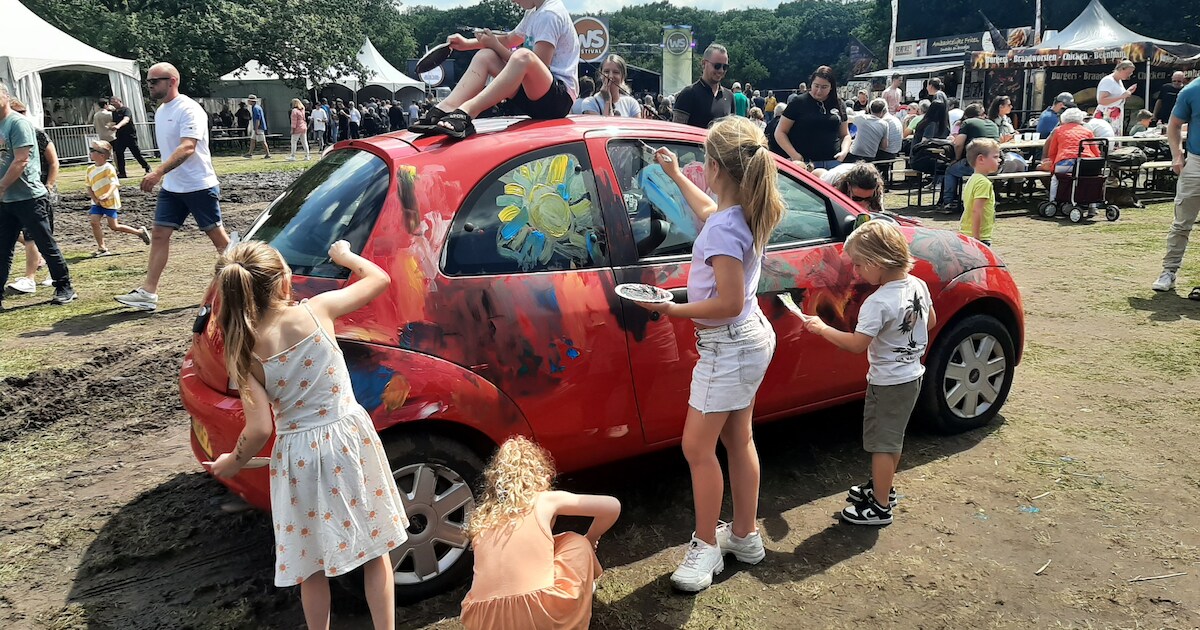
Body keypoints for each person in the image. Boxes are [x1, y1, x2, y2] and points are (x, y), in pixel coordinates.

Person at [209, 240, 408, 630]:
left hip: (297, 456)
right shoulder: (318, 310)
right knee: (374, 551)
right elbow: (379, 279)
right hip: (348, 442)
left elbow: (259, 428)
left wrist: (232, 463)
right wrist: (344, 256)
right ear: (284, 281)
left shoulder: (244, 350)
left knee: (310, 565)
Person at [633, 117, 783, 592]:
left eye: (702, 163)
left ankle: (706, 547)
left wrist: (670, 308)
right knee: (738, 438)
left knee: (697, 448)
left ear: (715, 167)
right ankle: (745, 536)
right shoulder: (744, 211)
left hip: (728, 345)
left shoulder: (722, 229)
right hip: (747, 338)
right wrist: (677, 175)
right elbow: (708, 209)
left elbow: (728, 302)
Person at [790, 220, 936, 526]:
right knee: (892, 439)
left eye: (858, 264)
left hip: (888, 383)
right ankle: (883, 487)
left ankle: (880, 507)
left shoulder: (878, 302)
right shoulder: (918, 285)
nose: (856, 271)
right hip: (912, 375)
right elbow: (930, 321)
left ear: (876, 262)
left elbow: (857, 345)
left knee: (881, 444)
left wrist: (822, 328)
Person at [459, 436, 620, 629]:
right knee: (575, 542)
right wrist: (591, 538)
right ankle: (582, 592)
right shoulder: (543, 500)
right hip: (539, 615)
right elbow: (612, 506)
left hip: (484, 620)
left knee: (554, 544)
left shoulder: (484, 520)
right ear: (540, 473)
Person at [114, 63, 230, 312]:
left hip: (198, 185)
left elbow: (188, 147)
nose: (149, 85)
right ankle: (148, 292)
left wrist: (157, 172)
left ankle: (246, 281)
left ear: (172, 81)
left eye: (154, 81)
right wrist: (164, 176)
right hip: (173, 188)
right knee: (158, 234)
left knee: (219, 239)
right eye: (148, 81)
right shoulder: (161, 110)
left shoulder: (189, 109)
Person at [410, 0, 580, 141]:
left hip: (557, 100)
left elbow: (538, 65)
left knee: (523, 56)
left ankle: (467, 111)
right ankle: (447, 107)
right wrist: (466, 44)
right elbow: (509, 39)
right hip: (533, 96)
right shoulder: (533, 13)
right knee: (485, 56)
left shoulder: (550, 14)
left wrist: (495, 45)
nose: (512, 1)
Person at [0, 81, 75, 309]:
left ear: (5, 97)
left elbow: (21, 160)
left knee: (45, 243)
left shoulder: (18, 123)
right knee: (3, 248)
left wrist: (1, 187)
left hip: (29, 197)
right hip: (5, 199)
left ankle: (64, 286)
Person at [1151, 76, 1200, 298]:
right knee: (1181, 223)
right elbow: (1174, 124)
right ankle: (1168, 272)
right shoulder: (1192, 90)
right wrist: (1177, 155)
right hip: (1196, 162)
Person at [775, 66, 850, 169]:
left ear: (831, 87)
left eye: (824, 87)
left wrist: (844, 152)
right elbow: (780, 132)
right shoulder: (798, 102)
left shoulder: (839, 103)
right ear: (811, 84)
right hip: (805, 162)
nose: (819, 91)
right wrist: (794, 155)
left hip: (833, 161)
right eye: (816, 86)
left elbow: (845, 134)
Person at [86, 140, 149, 256]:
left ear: (102, 155)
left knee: (114, 226)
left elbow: (114, 183)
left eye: (92, 150)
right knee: (94, 222)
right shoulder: (90, 169)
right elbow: (89, 186)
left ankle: (139, 232)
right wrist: (94, 199)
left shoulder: (108, 168)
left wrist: (107, 195)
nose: (90, 152)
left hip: (110, 201)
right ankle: (102, 248)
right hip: (96, 202)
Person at [940, 103, 1000, 213]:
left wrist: (957, 159)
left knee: (950, 170)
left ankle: (949, 202)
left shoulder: (967, 123)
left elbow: (958, 144)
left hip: (977, 164)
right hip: (997, 164)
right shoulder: (993, 124)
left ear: (966, 115)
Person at [1038, 107, 1098, 201]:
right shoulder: (1088, 131)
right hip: (1086, 164)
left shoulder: (1058, 131)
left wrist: (1052, 165)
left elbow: (1052, 152)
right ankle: (1092, 204)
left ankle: (1053, 201)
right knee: (1088, 179)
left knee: (1055, 178)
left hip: (1065, 162)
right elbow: (1096, 151)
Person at [672, 44, 733, 129]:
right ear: (704, 64)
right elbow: (677, 131)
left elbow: (732, 131)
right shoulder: (688, 94)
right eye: (717, 66)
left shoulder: (729, 96)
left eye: (725, 67)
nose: (721, 70)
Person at [960, 138, 1001, 245]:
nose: (999, 160)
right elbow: (977, 210)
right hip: (979, 236)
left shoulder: (972, 179)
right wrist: (976, 238)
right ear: (981, 159)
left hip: (966, 232)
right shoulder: (984, 183)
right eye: (995, 157)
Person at [108, 95, 151, 179]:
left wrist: (118, 126)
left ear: (119, 101)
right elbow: (114, 122)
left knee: (136, 154)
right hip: (120, 136)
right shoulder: (114, 112)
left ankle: (147, 167)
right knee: (119, 153)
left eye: (114, 101)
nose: (113, 104)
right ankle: (122, 173)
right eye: (111, 102)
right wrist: (110, 126)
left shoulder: (126, 110)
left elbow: (126, 120)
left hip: (130, 136)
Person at [815, 161, 884, 212]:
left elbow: (878, 213)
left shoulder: (877, 189)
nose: (863, 203)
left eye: (869, 199)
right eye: (857, 199)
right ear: (848, 186)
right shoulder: (830, 180)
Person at [1097, 60, 1137, 137]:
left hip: (1115, 117)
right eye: (1128, 72)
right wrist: (1122, 96)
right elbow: (1101, 100)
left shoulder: (1118, 81)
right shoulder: (1108, 80)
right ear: (1121, 69)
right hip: (1107, 116)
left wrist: (1128, 92)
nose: (1130, 75)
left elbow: (1118, 96)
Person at [244, 95, 272, 159]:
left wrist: (256, 129)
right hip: (256, 127)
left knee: (262, 141)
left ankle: (268, 154)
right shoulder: (257, 107)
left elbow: (257, 119)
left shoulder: (255, 108)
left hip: (259, 127)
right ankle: (250, 153)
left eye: (249, 100)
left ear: (252, 101)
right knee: (252, 140)